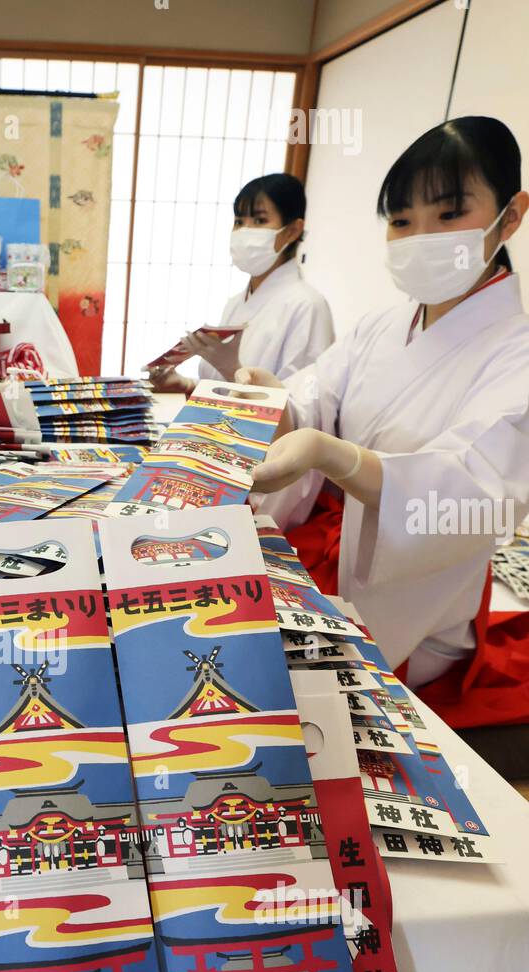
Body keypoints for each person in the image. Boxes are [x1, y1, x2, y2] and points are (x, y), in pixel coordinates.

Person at [243, 116, 529, 721]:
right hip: (317, 548)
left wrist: (336, 457)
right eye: (401, 221)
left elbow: (473, 491)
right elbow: (314, 397)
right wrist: (275, 401)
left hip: (413, 599)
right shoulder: (381, 325)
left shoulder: (518, 352)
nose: (421, 236)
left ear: (511, 216)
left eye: (449, 213)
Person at [148, 173, 334, 390]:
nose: (245, 230)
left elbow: (300, 401)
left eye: (260, 220)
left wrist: (232, 369)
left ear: (292, 231)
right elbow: (222, 390)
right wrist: (186, 384)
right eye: (239, 221)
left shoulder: (308, 306)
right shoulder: (236, 304)